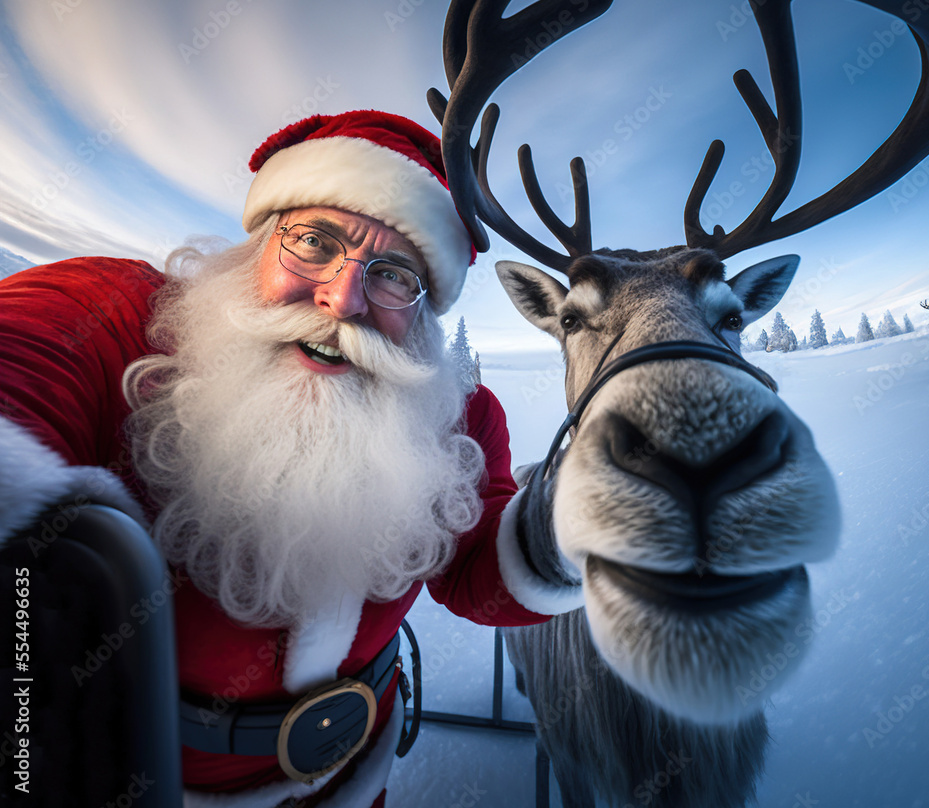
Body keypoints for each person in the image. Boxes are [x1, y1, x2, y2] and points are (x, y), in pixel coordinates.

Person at [0, 110, 580, 807]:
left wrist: (580, 517)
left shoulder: (462, 417)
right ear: (258, 245)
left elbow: (478, 572)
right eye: (313, 241)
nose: (343, 298)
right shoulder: (120, 319)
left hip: (356, 776)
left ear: (424, 309)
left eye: (394, 276)